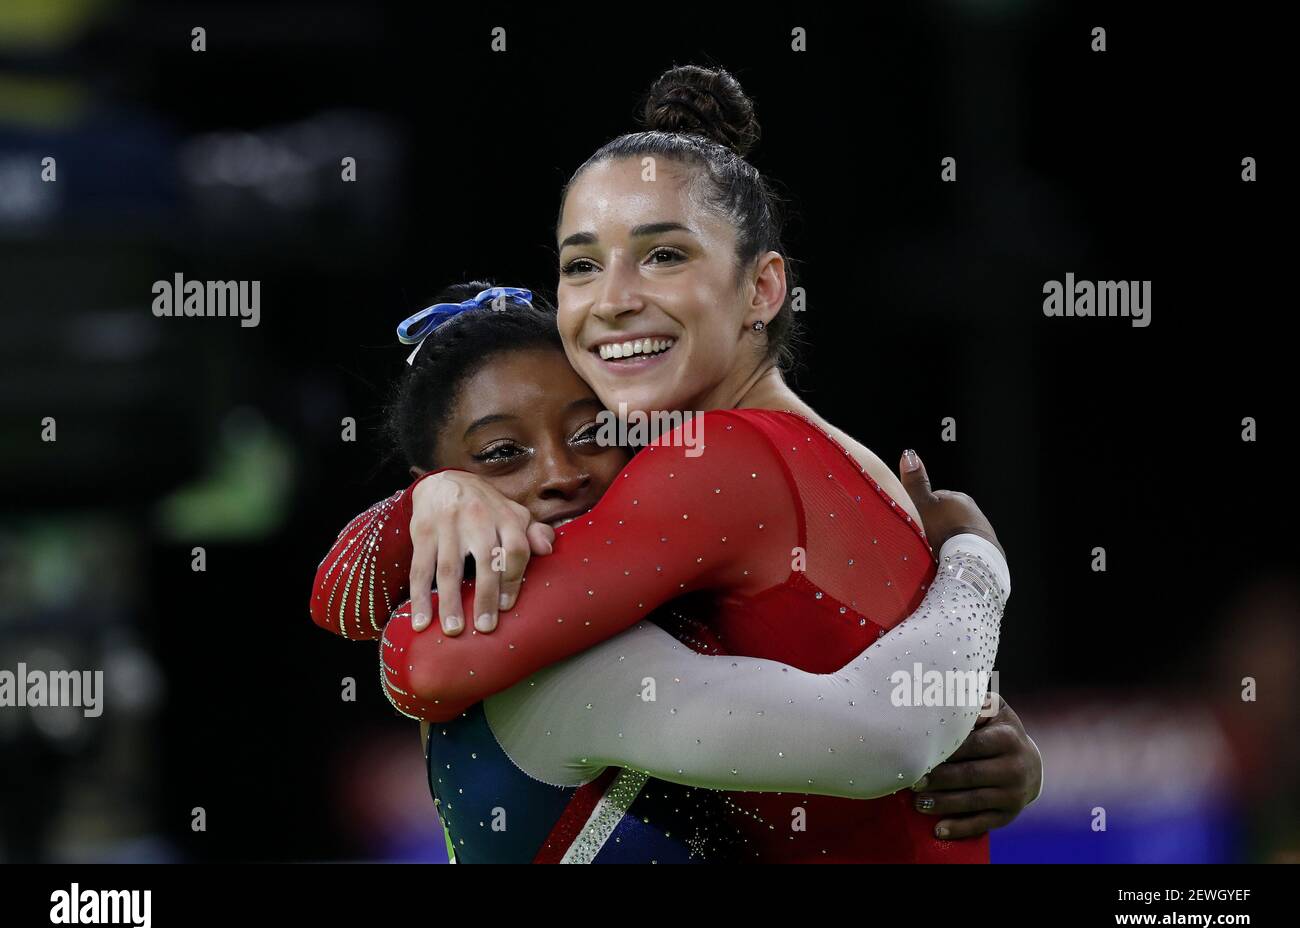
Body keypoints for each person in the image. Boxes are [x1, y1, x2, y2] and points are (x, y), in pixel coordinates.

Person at [313, 279, 1038, 862]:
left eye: (593, 431)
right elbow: (885, 734)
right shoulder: (545, 656)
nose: (562, 474)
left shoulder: (668, 606)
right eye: (502, 454)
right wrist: (975, 560)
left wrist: (980, 734)